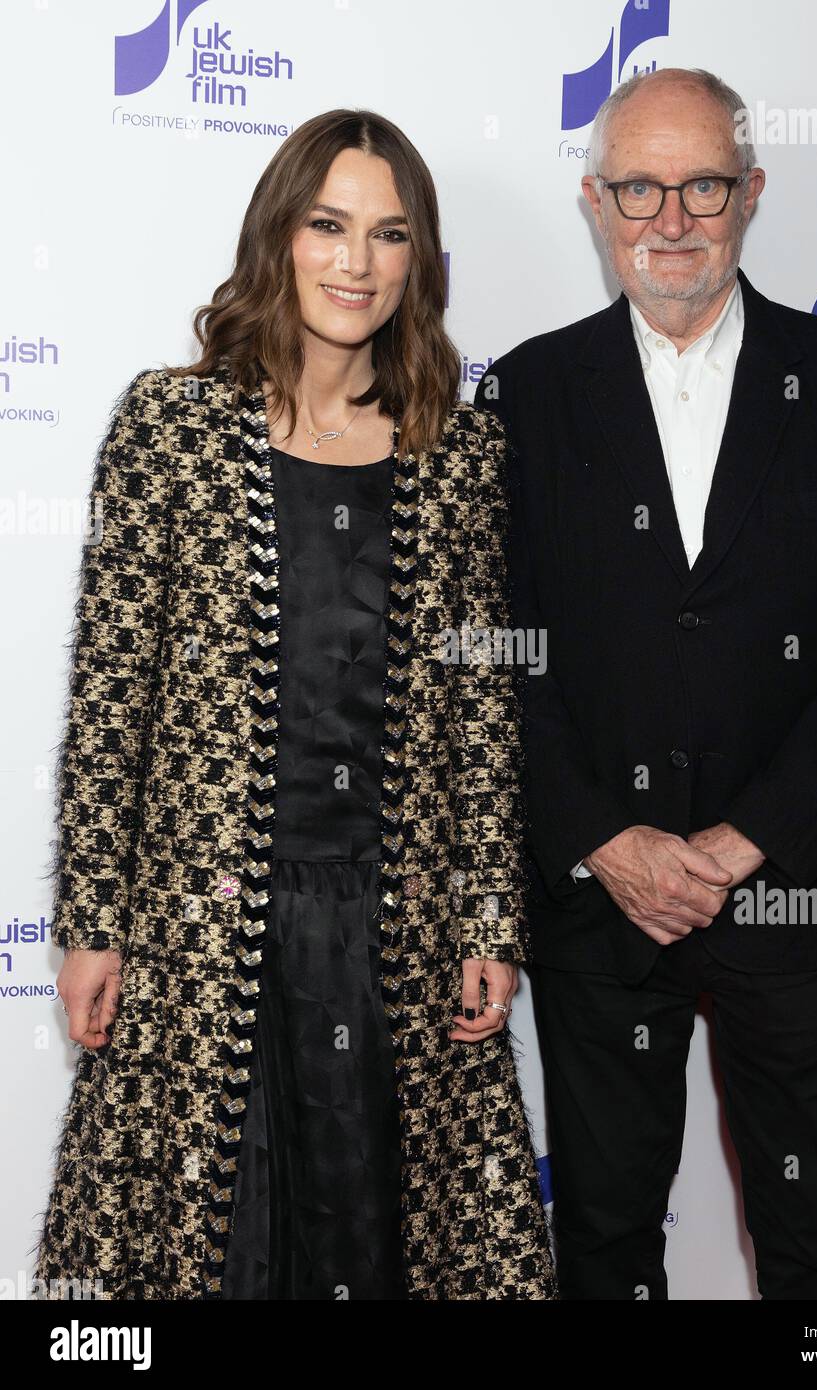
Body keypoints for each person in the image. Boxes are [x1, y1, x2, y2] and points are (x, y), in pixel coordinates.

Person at [31, 109, 555, 1301]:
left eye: (388, 234)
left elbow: (479, 713)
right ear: (281, 233)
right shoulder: (168, 427)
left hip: (399, 937)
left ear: (420, 260)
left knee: (395, 1240)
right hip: (202, 930)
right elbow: (115, 697)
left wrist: (487, 917)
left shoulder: (454, 451)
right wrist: (90, 922)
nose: (355, 263)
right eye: (328, 225)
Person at [478, 67, 817, 1300]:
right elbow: (488, 644)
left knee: (815, 1257)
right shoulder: (519, 396)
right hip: (600, 911)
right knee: (604, 1245)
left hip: (786, 901)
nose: (669, 218)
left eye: (700, 184)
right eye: (639, 186)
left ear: (749, 192)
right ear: (593, 200)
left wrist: (750, 839)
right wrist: (599, 838)